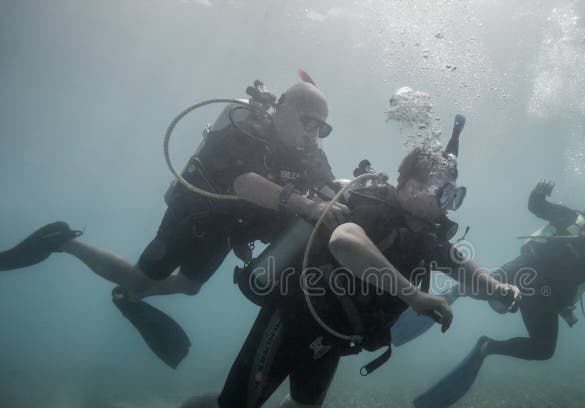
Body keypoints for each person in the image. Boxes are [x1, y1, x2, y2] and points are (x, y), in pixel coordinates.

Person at [0, 78, 348, 367]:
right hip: (191, 217)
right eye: (309, 122)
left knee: (188, 286)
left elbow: (330, 187)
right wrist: (307, 205)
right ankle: (65, 241)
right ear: (283, 108)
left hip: (226, 228)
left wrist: (355, 195)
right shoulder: (246, 132)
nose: (314, 133)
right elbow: (244, 184)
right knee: (139, 282)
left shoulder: (311, 154)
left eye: (323, 127)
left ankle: (127, 294)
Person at [176, 147, 521, 408]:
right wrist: (414, 296)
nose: (450, 204)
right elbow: (345, 241)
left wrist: (497, 289)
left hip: (335, 336)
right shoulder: (375, 207)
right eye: (444, 193)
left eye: (455, 196)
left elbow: (458, 263)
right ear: (412, 187)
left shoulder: (426, 231)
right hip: (296, 320)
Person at [414, 178, 585, 408]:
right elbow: (537, 207)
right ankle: (456, 291)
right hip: (526, 269)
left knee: (544, 349)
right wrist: (538, 193)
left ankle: (488, 347)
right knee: (485, 289)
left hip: (545, 299)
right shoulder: (571, 218)